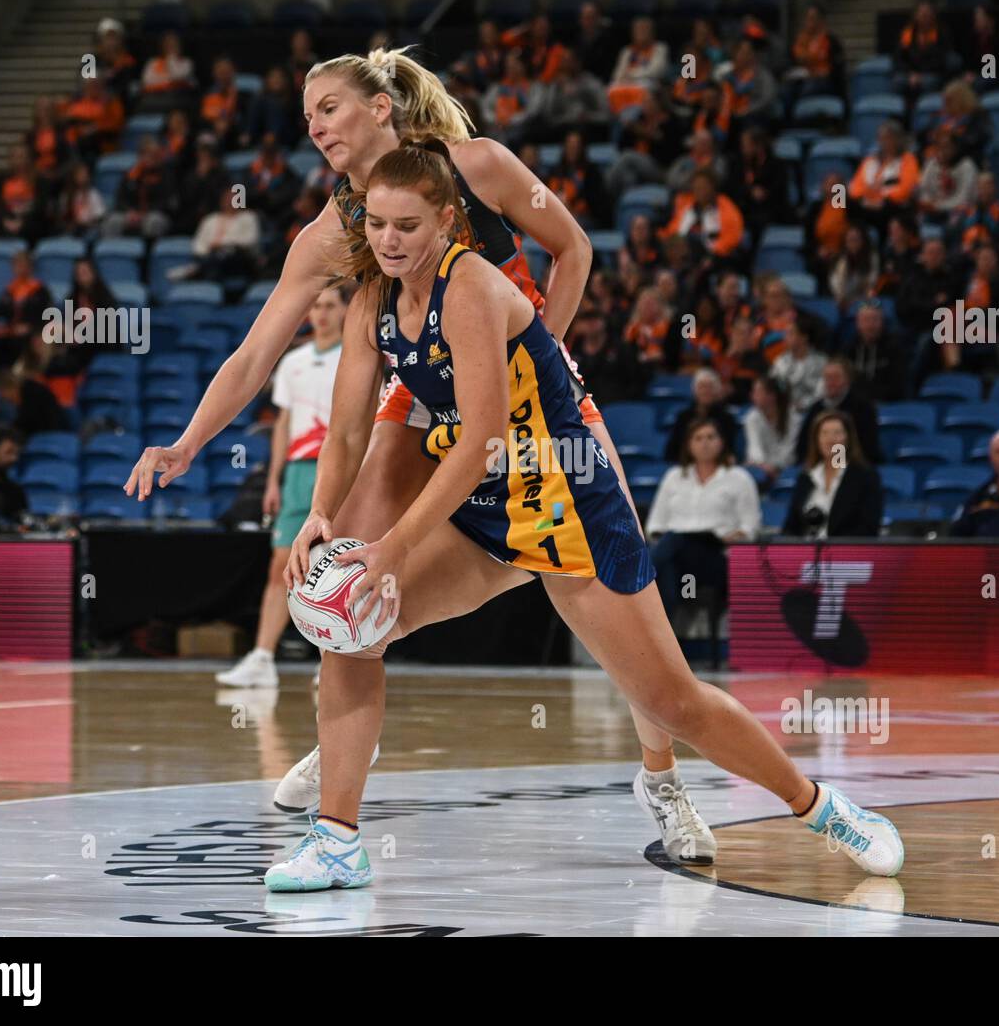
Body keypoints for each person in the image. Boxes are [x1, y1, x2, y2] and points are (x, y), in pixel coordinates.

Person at [123, 47, 722, 866]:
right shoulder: (336, 229)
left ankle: (661, 775)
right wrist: (189, 442)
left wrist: (537, 367)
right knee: (343, 569)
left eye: (328, 106)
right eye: (305, 117)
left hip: (536, 395)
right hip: (415, 400)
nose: (314, 126)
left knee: (617, 590)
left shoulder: (478, 167)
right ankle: (345, 766)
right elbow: (256, 353)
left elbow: (574, 249)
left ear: (379, 106)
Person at [258, 144, 901, 889]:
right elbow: (344, 432)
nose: (389, 240)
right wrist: (323, 516)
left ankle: (823, 808)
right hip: (489, 506)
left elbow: (483, 439)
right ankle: (337, 838)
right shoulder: (374, 298)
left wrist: (394, 545)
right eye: (376, 224)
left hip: (567, 495)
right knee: (358, 627)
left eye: (407, 225)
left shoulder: (467, 286)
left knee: (671, 699)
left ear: (445, 222)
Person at [217, 283, 352, 688]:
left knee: (340, 567)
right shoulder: (293, 362)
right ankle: (262, 657)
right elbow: (282, 426)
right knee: (281, 566)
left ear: (345, 311)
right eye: (316, 306)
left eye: (329, 306)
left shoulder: (359, 357)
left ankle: (334, 662)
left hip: (342, 469)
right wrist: (273, 479)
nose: (322, 314)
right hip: (297, 472)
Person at [646, 417, 760, 622]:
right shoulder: (674, 477)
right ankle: (669, 643)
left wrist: (736, 536)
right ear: (689, 444)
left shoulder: (739, 478)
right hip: (676, 558)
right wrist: (665, 539)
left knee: (672, 543)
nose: (704, 443)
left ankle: (643, 576)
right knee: (670, 567)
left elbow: (750, 528)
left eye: (710, 437)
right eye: (698, 438)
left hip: (716, 556)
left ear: (721, 442)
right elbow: (655, 525)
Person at [782, 410, 882, 538]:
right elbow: (791, 527)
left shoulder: (866, 477)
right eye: (824, 433)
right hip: (806, 554)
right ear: (816, 439)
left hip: (846, 554)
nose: (830, 439)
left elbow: (868, 529)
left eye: (837, 433)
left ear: (848, 438)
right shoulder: (806, 477)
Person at [794, 357, 882, 464]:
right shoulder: (816, 409)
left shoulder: (863, 408)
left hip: (855, 468)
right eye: (827, 378)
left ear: (847, 380)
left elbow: (869, 449)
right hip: (821, 469)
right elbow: (802, 448)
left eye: (836, 377)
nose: (831, 382)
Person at [662, 367, 738, 461]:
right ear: (695, 391)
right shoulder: (683, 417)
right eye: (701, 387)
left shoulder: (727, 418)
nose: (705, 391)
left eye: (710, 387)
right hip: (685, 466)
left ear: (717, 391)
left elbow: (729, 450)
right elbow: (672, 450)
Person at [742, 374, 797, 478]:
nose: (752, 395)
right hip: (760, 468)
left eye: (757, 392)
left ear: (771, 396)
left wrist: (774, 466)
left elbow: (789, 450)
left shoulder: (793, 418)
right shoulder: (751, 418)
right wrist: (761, 465)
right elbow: (754, 447)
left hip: (786, 468)